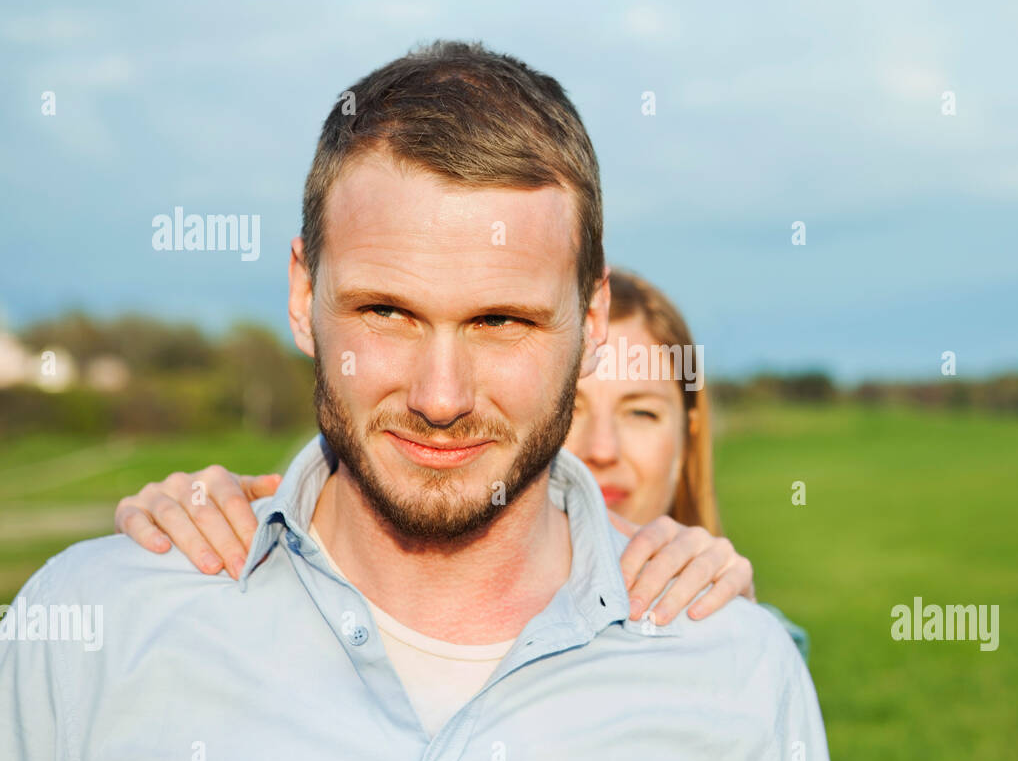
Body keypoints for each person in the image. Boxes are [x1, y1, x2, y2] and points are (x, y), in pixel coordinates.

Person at [0, 40, 835, 761]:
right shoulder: (90, 633)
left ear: (592, 315)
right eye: (388, 312)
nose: (441, 399)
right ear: (302, 295)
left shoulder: (737, 676)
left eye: (500, 321)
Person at [111, 268, 811, 655]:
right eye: (574, 406)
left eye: (642, 412)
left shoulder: (744, 645)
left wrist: (735, 637)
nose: (602, 448)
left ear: (690, 435)